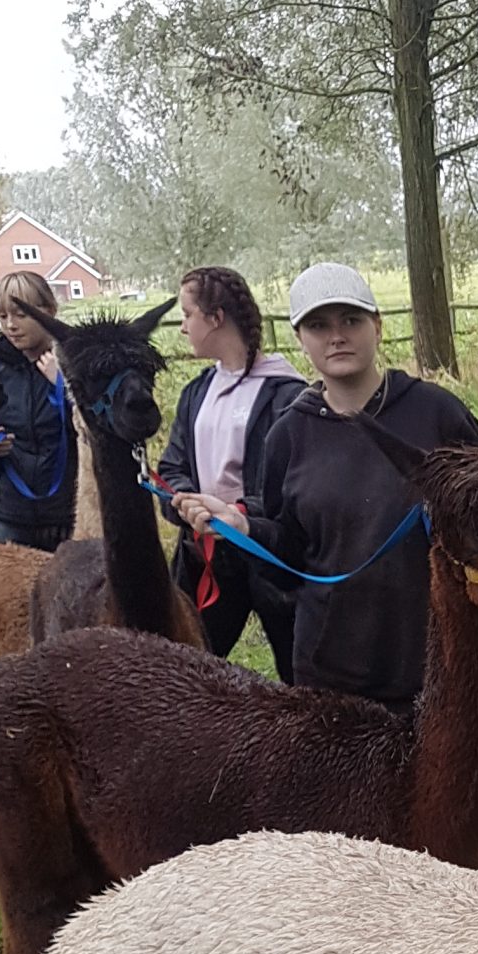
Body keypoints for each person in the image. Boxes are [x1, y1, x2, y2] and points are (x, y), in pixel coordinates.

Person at [237, 261, 478, 708]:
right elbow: (287, 559)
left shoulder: (438, 415)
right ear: (300, 339)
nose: (337, 335)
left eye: (351, 320)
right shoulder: (287, 437)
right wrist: (244, 530)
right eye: (318, 325)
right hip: (328, 675)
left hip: (434, 670)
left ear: (377, 326)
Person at [155, 264, 304, 676]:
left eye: (187, 315)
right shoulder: (197, 392)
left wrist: (239, 515)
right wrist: (185, 503)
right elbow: (172, 465)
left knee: (300, 674)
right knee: (187, 669)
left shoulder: (286, 395)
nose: (183, 327)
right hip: (206, 555)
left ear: (216, 318)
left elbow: (292, 485)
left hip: (268, 554)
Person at [0, 271, 76, 551]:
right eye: (2, 316)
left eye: (20, 315)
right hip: (11, 519)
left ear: (49, 311)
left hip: (69, 517)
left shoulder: (79, 365)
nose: (10, 326)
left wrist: (65, 385)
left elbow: (100, 432)